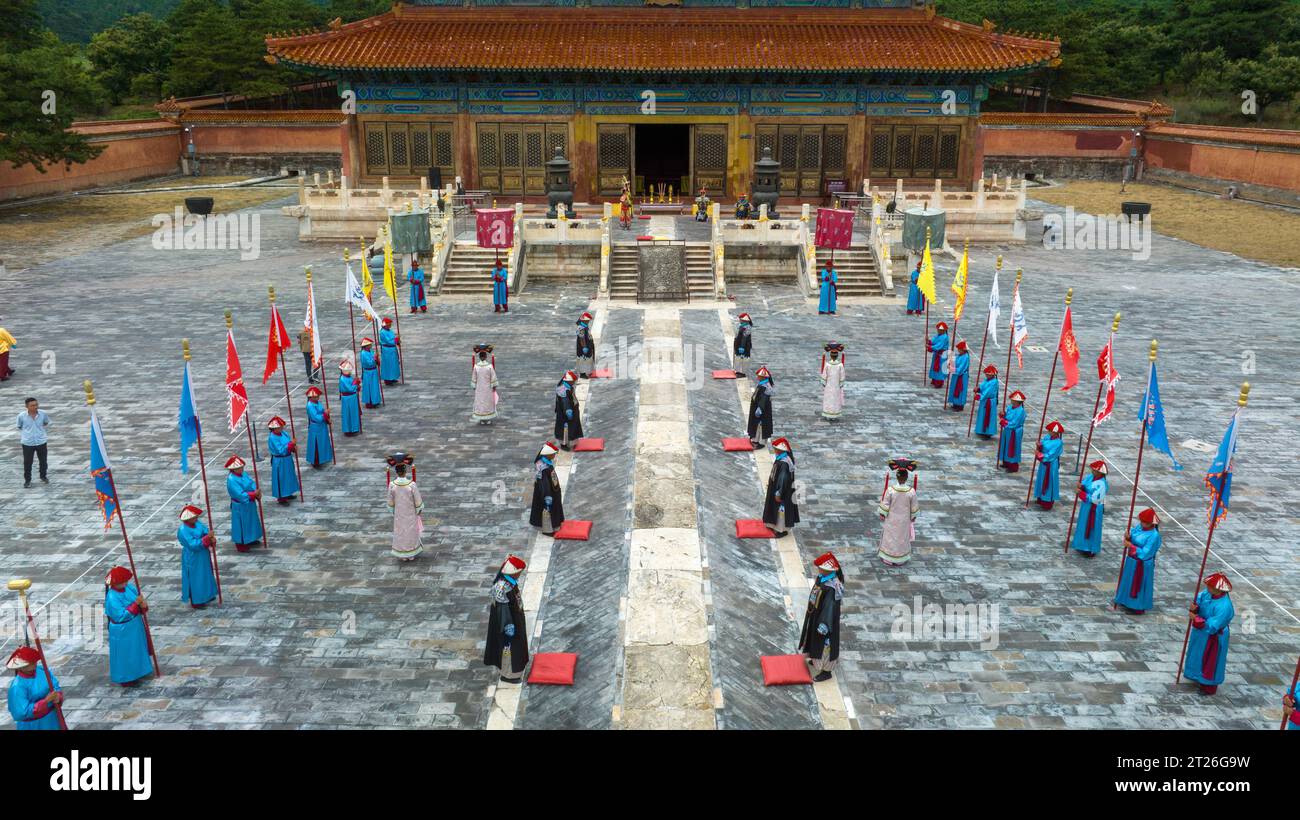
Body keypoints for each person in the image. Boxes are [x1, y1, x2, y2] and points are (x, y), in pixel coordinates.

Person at [1183, 573, 1235, 695]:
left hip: (1214, 636)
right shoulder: (1208, 593)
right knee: (1197, 654)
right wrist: (1195, 607)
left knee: (1211, 660)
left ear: (1218, 589)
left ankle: (1209, 685)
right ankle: (1197, 676)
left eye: (1210, 586)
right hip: (1201, 634)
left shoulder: (1224, 606)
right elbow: (1199, 599)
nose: (1207, 587)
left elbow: (1212, 626)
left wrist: (1195, 618)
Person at [797, 552, 843, 682]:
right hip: (816, 615)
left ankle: (826, 671)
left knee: (825, 644)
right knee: (815, 640)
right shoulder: (822, 578)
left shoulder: (832, 587)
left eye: (821, 568)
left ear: (828, 570)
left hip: (824, 620)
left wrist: (824, 624)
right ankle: (815, 658)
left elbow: (829, 607)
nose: (819, 569)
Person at [484, 555, 529, 684]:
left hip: (516, 619)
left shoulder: (510, 583)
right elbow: (503, 612)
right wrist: (508, 627)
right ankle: (509, 675)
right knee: (509, 649)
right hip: (509, 624)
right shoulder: (502, 588)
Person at [104, 566, 152, 686]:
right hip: (122, 630)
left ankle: (139, 671)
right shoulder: (111, 597)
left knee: (136, 649)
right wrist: (136, 604)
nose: (126, 583)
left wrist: (143, 605)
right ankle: (127, 677)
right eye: (123, 581)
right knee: (125, 654)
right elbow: (121, 615)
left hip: (135, 626)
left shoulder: (129, 588)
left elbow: (138, 599)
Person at [1114, 508, 1161, 614]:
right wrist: (1128, 536)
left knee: (1138, 584)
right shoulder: (1140, 527)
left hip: (1142, 564)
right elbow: (1133, 534)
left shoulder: (1154, 536)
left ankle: (1137, 605)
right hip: (1132, 561)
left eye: (1145, 522)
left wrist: (1131, 546)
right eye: (1141, 521)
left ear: (1151, 523)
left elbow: (1146, 553)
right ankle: (1125, 599)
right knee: (1128, 579)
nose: (1142, 523)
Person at [6, 646, 62, 730]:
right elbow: (21, 712)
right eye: (28, 664)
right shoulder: (17, 686)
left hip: (52, 719)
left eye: (34, 662)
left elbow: (55, 686)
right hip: (33, 725)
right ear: (20, 667)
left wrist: (58, 695)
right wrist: (46, 701)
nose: (33, 666)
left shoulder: (42, 670)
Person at [877, 458, 919, 566]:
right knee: (902, 538)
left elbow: (885, 504)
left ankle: (888, 557)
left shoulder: (891, 490)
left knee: (891, 537)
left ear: (897, 476)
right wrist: (913, 516)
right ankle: (900, 558)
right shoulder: (911, 491)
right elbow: (914, 506)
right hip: (904, 519)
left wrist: (882, 513)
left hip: (892, 518)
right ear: (906, 477)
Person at [177, 504, 218, 608]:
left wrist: (210, 537)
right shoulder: (182, 531)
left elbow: (205, 531)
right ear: (188, 519)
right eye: (194, 517)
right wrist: (207, 539)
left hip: (203, 554)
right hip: (193, 557)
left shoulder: (197, 523)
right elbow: (192, 545)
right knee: (196, 578)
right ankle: (197, 600)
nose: (196, 518)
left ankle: (208, 594)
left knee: (206, 574)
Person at [387, 454, 424, 561]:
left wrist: (392, 509)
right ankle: (411, 552)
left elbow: (390, 501)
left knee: (400, 531)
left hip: (399, 513)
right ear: (405, 471)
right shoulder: (411, 484)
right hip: (410, 512)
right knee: (410, 531)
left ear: (397, 472)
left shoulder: (392, 485)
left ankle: (402, 553)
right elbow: (418, 500)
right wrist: (419, 508)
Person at [761, 437, 799, 538]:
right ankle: (772, 523)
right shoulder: (783, 459)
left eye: (775, 449)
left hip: (781, 491)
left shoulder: (784, 463)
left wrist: (778, 493)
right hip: (779, 488)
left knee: (781, 510)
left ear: (780, 450)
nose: (774, 450)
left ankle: (781, 530)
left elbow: (783, 480)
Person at [224, 455, 262, 552]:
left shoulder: (244, 474)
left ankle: (250, 538)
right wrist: (253, 494)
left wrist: (255, 490)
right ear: (233, 469)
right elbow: (238, 494)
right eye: (238, 468)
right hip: (240, 505)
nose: (241, 469)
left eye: (241, 467)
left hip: (249, 502)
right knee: (241, 524)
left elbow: (251, 483)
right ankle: (240, 543)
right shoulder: (231, 479)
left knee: (251, 521)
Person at [1071, 461, 1108, 557]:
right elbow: (1084, 484)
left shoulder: (1102, 484)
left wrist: (1081, 493)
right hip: (1086, 507)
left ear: (1100, 472)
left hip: (1094, 508)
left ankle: (1090, 548)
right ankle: (1081, 545)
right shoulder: (1091, 477)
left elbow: (1094, 498)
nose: (1092, 471)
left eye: (1094, 470)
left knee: (1092, 527)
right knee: (1083, 524)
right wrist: (1081, 486)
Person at [529, 442, 563, 536]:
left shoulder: (545, 463)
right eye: (553, 454)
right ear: (548, 454)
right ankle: (548, 530)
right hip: (547, 493)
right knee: (547, 511)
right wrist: (547, 496)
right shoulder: (543, 468)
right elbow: (545, 484)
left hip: (552, 490)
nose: (554, 455)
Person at [16, 397, 50, 488]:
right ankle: (27, 480)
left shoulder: (43, 414)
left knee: (43, 461)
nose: (35, 407)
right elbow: (19, 426)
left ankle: (43, 476)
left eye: (36, 405)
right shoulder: (21, 416)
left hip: (41, 441)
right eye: (32, 405)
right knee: (27, 462)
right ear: (27, 406)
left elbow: (46, 422)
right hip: (28, 443)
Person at [266, 416, 299, 504]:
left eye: (281, 426)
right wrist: (291, 445)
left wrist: (293, 448)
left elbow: (288, 442)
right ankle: (282, 497)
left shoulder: (284, 433)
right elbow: (280, 450)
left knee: (289, 475)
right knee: (281, 477)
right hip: (280, 460)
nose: (281, 428)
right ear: (274, 428)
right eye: (279, 427)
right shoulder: (272, 438)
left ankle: (288, 492)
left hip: (287, 459)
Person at [1032, 421, 1064, 509]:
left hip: (1051, 464)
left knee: (1049, 481)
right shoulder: (1047, 437)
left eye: (1050, 430)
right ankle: (1040, 497)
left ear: (1055, 432)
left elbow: (1052, 454)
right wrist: (1039, 446)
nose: (1049, 432)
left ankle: (1047, 501)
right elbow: (1043, 444)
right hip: (1043, 464)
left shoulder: (1058, 443)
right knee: (1041, 479)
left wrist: (1039, 455)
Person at [304, 386, 334, 468]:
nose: (318, 397)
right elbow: (316, 417)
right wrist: (325, 414)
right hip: (316, 427)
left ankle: (323, 458)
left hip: (322, 426)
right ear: (311, 397)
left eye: (318, 396)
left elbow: (322, 411)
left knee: (323, 442)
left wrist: (327, 419)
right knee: (316, 444)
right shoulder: (310, 406)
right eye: (316, 396)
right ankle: (316, 461)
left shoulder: (317, 402)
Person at [554, 370, 583, 450]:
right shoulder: (563, 390)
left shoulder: (567, 386)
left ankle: (572, 441)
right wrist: (568, 411)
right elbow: (565, 401)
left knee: (572, 427)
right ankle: (564, 444)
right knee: (566, 429)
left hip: (572, 409)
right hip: (565, 413)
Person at [998, 390, 1026, 472]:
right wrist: (1003, 415)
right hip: (1007, 430)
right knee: (1005, 445)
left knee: (1013, 447)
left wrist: (1004, 422)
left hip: (1014, 431)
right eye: (1012, 400)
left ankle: (1013, 466)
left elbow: (1015, 423)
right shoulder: (1010, 407)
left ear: (1019, 402)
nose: (1012, 401)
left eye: (1014, 401)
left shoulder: (1021, 411)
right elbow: (1006, 415)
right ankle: (1006, 462)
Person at [747, 366, 774, 449]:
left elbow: (763, 400)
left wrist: (759, 409)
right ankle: (755, 439)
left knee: (760, 425)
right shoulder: (763, 384)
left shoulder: (765, 387)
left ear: (763, 377)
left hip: (762, 410)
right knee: (757, 425)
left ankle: (760, 442)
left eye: (759, 376)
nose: (757, 377)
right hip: (758, 406)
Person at [471, 343, 499, 425]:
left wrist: (474, 385)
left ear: (479, 357)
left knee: (480, 402)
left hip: (479, 388)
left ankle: (481, 418)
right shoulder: (489, 366)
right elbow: (493, 377)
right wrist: (494, 386)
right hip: (487, 388)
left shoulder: (476, 367)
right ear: (486, 357)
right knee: (488, 402)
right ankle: (488, 418)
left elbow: (474, 378)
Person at [820, 343, 845, 420]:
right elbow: (842, 375)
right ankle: (834, 413)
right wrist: (841, 384)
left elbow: (824, 375)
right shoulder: (840, 365)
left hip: (829, 385)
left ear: (830, 356)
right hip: (836, 385)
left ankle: (828, 413)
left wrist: (823, 382)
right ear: (837, 356)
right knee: (835, 399)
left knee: (828, 398)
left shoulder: (827, 365)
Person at [974, 365, 999, 438]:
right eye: (986, 374)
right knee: (982, 415)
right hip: (984, 401)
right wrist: (978, 389)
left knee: (988, 416)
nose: (987, 375)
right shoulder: (986, 380)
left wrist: (980, 396)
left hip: (989, 401)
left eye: (988, 374)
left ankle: (988, 432)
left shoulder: (994, 382)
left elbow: (988, 392)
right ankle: (981, 430)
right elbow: (982, 386)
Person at [338, 360, 361, 436]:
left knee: (353, 413)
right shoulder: (342, 379)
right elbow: (350, 388)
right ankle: (348, 429)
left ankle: (354, 428)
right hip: (347, 398)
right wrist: (355, 384)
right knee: (348, 413)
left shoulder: (349, 377)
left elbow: (353, 385)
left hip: (352, 398)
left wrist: (356, 383)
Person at [359, 338, 382, 408]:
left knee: (374, 386)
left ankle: (375, 400)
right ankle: (369, 401)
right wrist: (374, 359)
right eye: (369, 345)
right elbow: (369, 363)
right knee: (369, 387)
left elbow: (374, 359)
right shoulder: (363, 353)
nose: (371, 346)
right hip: (368, 372)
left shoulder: (371, 351)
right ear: (366, 346)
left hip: (373, 371)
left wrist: (377, 359)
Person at [947, 340, 970, 411]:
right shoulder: (960, 355)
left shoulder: (966, 357)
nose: (958, 350)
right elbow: (955, 362)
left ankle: (960, 405)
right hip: (956, 375)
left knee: (960, 390)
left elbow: (961, 368)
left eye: (959, 349)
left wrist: (951, 368)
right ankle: (955, 403)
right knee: (954, 388)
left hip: (961, 376)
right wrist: (951, 363)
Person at [379, 318, 402, 384]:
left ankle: (393, 377)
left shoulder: (390, 331)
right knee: (388, 364)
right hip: (387, 350)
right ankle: (387, 379)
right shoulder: (382, 332)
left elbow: (393, 338)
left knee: (393, 364)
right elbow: (388, 341)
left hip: (392, 349)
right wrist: (395, 340)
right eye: (389, 324)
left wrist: (397, 341)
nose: (390, 325)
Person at [926, 321, 949, 388]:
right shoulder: (938, 335)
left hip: (942, 355)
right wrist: (929, 341)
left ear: (944, 330)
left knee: (940, 368)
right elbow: (934, 341)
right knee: (935, 367)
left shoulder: (945, 337)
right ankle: (934, 379)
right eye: (938, 329)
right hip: (937, 354)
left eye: (940, 330)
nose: (939, 331)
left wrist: (930, 347)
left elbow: (939, 346)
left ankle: (939, 382)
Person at [575, 311, 595, 378]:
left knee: (587, 360)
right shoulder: (581, 328)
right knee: (583, 360)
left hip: (588, 345)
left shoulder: (585, 326)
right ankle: (583, 373)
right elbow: (582, 338)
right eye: (587, 320)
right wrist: (584, 347)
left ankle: (588, 371)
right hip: (583, 347)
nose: (588, 321)